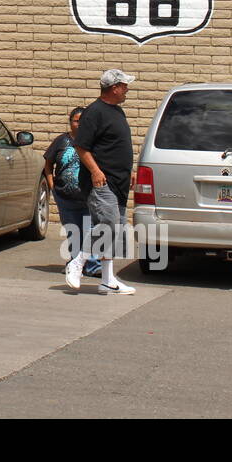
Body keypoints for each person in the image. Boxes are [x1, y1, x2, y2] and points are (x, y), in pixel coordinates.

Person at [65, 69, 137, 295]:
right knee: (107, 224)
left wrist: (130, 170)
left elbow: (117, 145)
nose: (127, 89)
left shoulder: (117, 112)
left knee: (114, 230)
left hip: (119, 181)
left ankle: (107, 280)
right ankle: (77, 263)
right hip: (101, 181)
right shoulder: (94, 112)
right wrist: (95, 171)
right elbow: (81, 146)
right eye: (125, 85)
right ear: (114, 87)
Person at [43, 107, 101, 277]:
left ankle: (93, 265)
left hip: (88, 196)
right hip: (65, 197)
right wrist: (52, 185)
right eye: (76, 121)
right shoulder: (61, 141)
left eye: (83, 121)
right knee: (73, 230)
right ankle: (74, 263)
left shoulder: (93, 142)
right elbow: (47, 165)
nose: (79, 124)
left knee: (91, 231)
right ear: (70, 123)